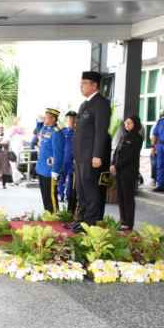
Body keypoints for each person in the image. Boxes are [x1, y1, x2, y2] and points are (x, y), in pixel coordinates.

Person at [71, 71, 111, 230]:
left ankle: (90, 222)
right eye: (81, 83)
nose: (81, 86)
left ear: (94, 85)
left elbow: (101, 131)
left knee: (91, 189)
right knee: (81, 189)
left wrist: (97, 155)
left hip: (91, 156)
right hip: (81, 156)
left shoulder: (101, 103)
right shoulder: (84, 104)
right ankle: (81, 219)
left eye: (84, 83)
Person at [110, 115, 143, 230]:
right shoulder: (123, 136)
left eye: (129, 123)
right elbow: (117, 152)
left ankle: (129, 223)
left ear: (135, 124)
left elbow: (129, 156)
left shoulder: (137, 138)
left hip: (129, 172)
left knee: (128, 198)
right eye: (125, 123)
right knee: (121, 197)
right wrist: (112, 164)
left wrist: (116, 166)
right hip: (119, 171)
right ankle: (123, 220)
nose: (126, 125)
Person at [35, 109, 64, 213]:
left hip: (50, 169)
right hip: (42, 168)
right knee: (45, 195)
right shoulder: (45, 129)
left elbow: (59, 153)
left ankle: (55, 216)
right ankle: (48, 215)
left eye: (47, 117)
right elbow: (38, 132)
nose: (45, 118)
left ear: (53, 119)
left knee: (51, 196)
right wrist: (38, 121)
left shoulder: (56, 132)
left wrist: (56, 170)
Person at [58, 111, 77, 215]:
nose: (71, 121)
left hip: (73, 162)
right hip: (63, 161)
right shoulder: (63, 131)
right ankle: (60, 195)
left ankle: (69, 197)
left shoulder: (78, 132)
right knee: (61, 179)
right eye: (69, 119)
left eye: (73, 119)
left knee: (71, 181)